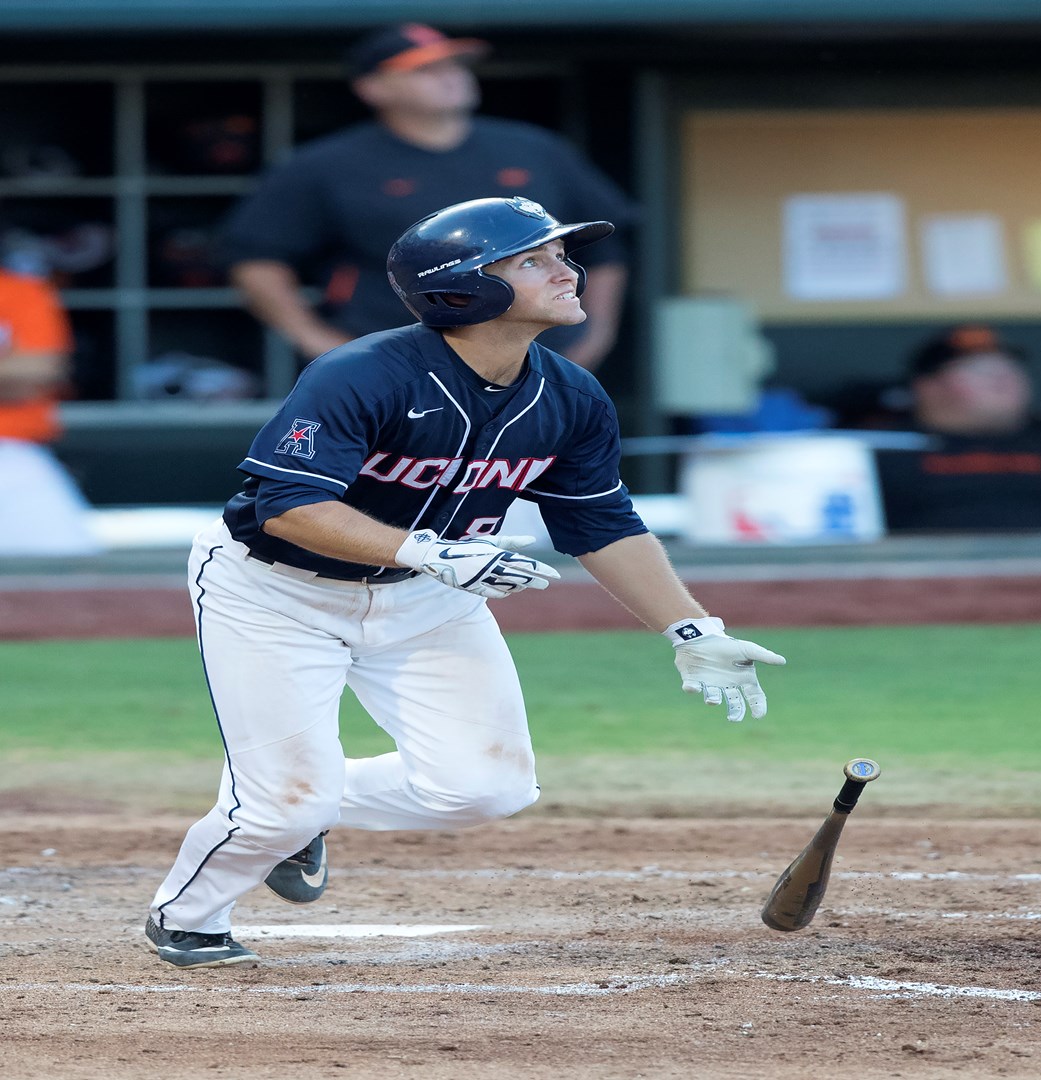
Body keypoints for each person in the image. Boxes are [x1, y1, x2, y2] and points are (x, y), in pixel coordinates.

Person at [144, 196, 787, 968]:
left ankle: (306, 803)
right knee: (280, 804)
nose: (566, 269)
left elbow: (602, 525)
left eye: (560, 254)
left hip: (429, 594)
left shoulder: (571, 396)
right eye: (533, 259)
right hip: (278, 592)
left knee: (486, 789)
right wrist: (431, 550)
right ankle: (189, 915)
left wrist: (691, 628)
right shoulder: (361, 374)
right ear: (464, 289)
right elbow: (288, 507)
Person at [221, 23, 634, 372]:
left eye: (453, 63)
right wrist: (323, 344)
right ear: (372, 88)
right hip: (398, 363)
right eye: (425, 69)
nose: (449, 75)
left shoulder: (534, 148)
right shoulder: (327, 163)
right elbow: (256, 259)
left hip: (537, 358)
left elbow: (603, 246)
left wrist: (595, 333)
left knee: (533, 468)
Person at [874, 324, 1041, 532]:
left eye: (1010, 367)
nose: (1002, 378)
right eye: (978, 370)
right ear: (927, 386)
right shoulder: (882, 449)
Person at [0, 266, 102, 556]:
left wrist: (18, 375)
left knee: (67, 560)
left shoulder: (18, 289)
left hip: (11, 452)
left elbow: (38, 372)